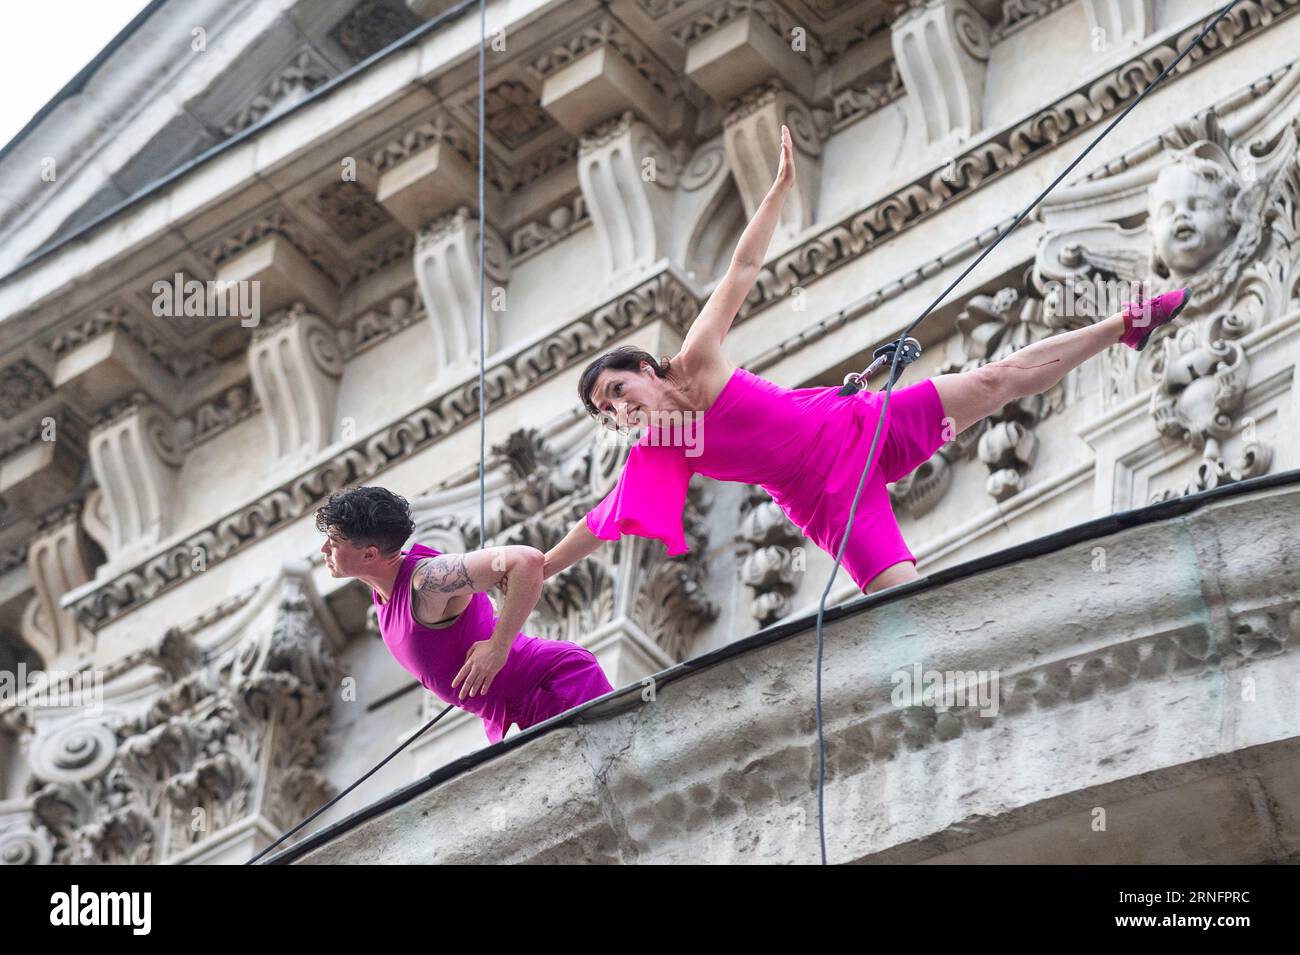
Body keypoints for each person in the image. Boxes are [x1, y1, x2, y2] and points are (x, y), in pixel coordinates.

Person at [541, 124, 1193, 594]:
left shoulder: (695, 361)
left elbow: (742, 269)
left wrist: (777, 192)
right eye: (607, 410)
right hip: (831, 499)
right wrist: (542, 566)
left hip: (857, 424)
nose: (620, 409)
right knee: (903, 598)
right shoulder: (663, 447)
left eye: (619, 390)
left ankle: (1125, 325)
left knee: (994, 380)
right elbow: (599, 522)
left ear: (647, 370)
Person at [317, 486, 613, 743]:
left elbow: (527, 561)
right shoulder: (386, 591)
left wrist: (498, 646)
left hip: (553, 686)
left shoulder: (427, 580)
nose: (323, 549)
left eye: (334, 541)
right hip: (516, 710)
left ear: (370, 554)